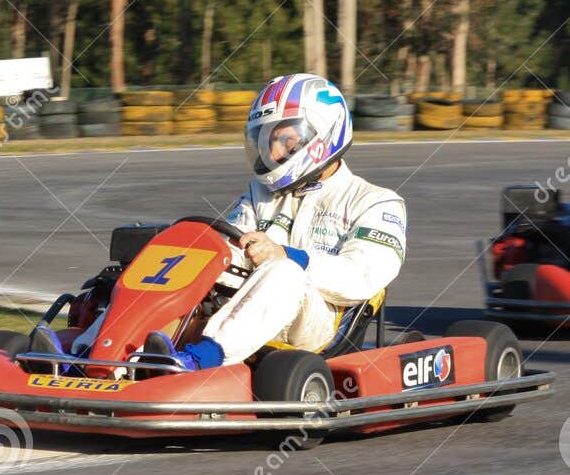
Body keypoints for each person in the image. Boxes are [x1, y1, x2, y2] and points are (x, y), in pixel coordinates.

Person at [138, 73, 408, 371]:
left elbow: (362, 278)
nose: (274, 152)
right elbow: (229, 250)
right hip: (247, 307)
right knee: (175, 260)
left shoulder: (375, 202)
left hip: (317, 322)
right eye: (267, 141)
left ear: (322, 134)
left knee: (285, 272)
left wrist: (288, 256)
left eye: (284, 139)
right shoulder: (259, 194)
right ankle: (102, 352)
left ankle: (199, 361)